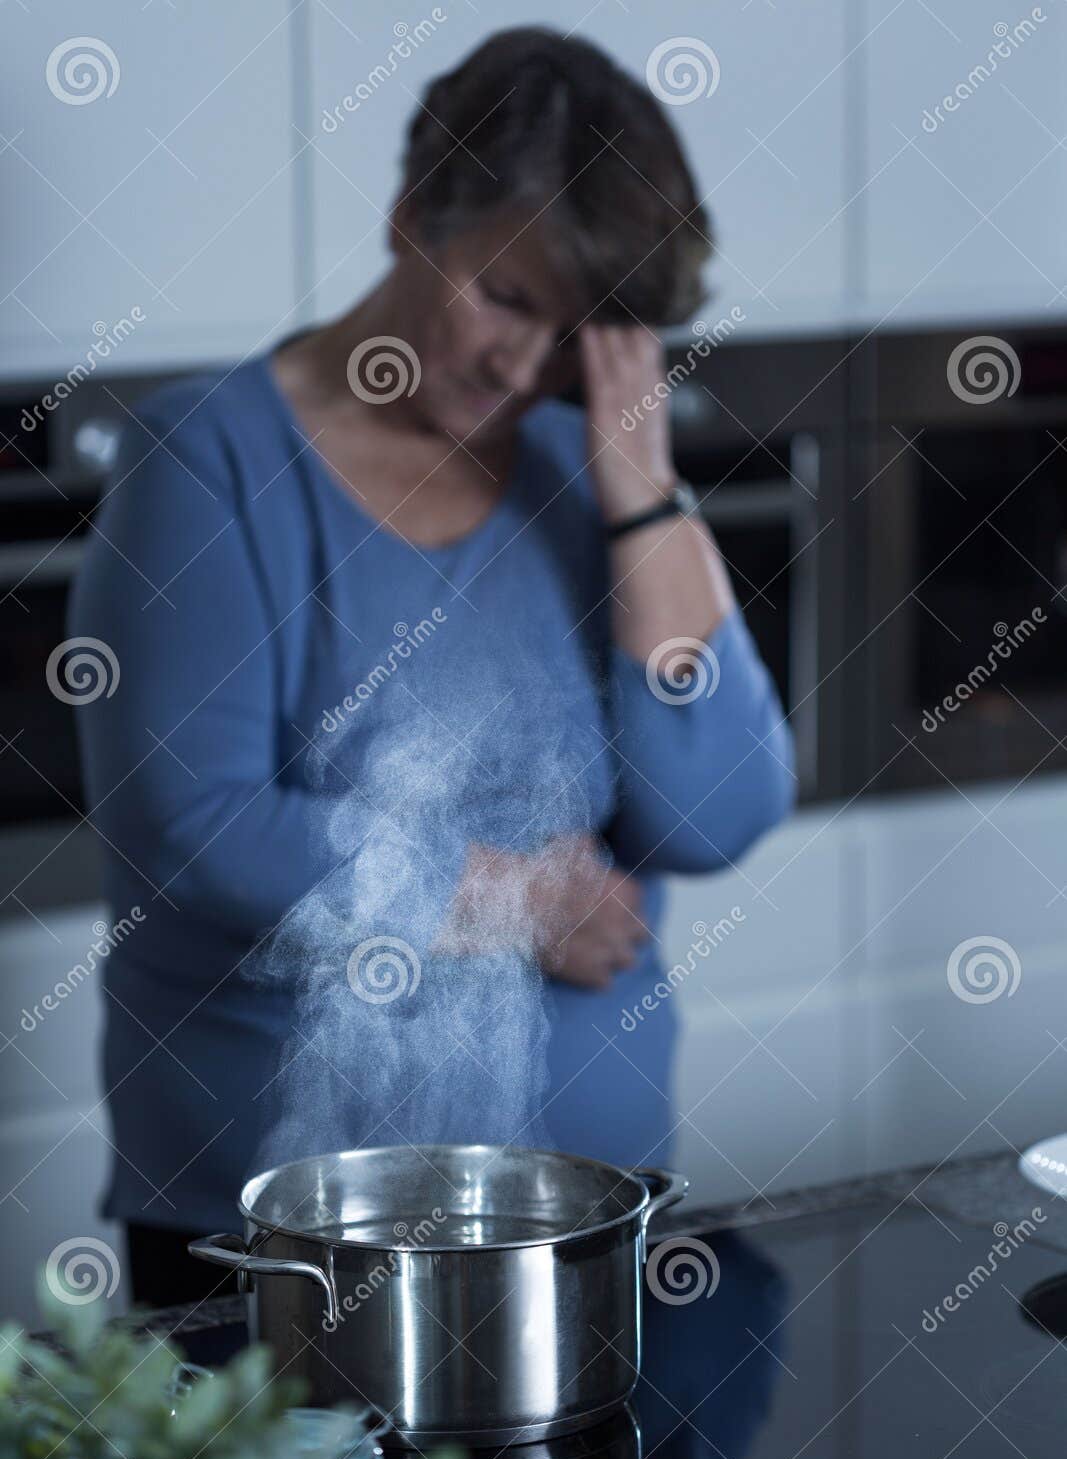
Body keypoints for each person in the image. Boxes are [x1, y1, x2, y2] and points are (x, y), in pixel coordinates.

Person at [70, 27, 794, 1309]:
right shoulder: (207, 463)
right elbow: (193, 823)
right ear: (414, 216)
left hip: (592, 1212)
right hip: (279, 1242)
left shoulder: (585, 470)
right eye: (506, 298)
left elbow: (712, 811)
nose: (523, 368)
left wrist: (641, 488)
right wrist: (511, 902)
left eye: (574, 331)